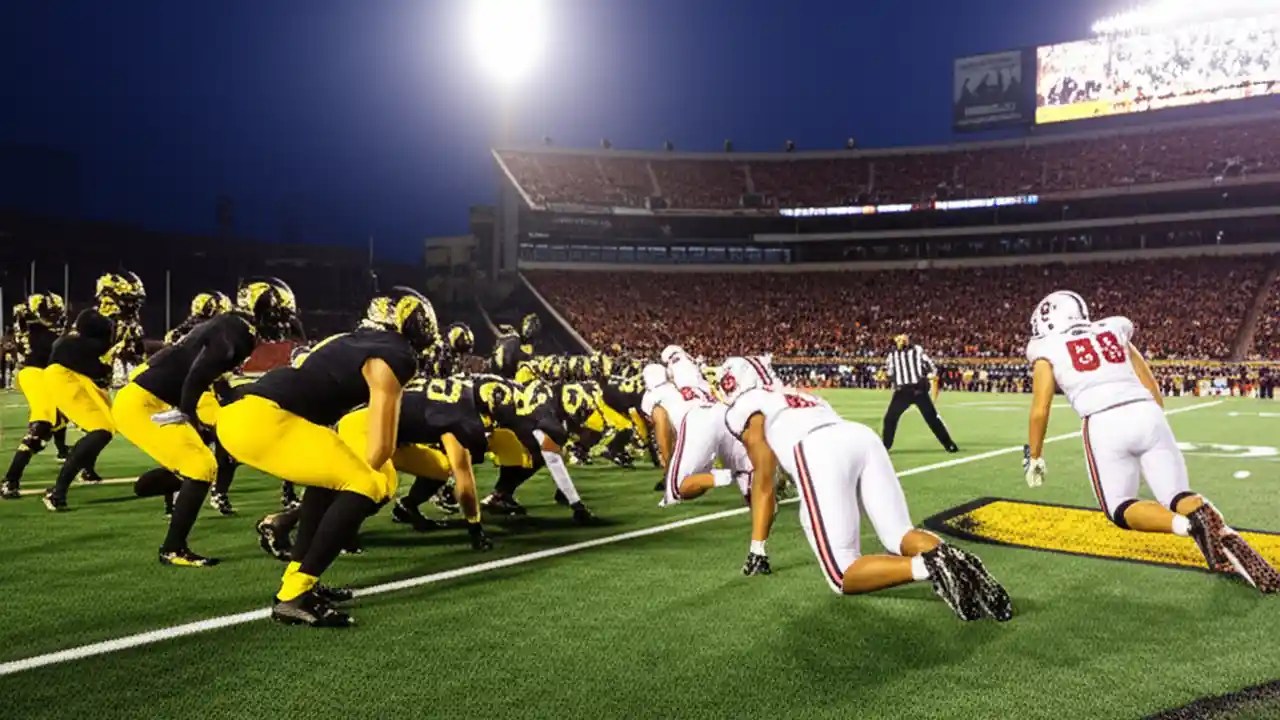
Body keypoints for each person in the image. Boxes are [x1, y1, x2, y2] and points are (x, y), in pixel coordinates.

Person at [719, 356, 1012, 622]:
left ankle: (929, 567)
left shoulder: (746, 404)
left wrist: (757, 548)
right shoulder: (795, 392)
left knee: (843, 573)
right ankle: (956, 561)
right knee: (899, 533)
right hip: (860, 437)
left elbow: (764, 479)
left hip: (819, 450)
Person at [1024, 291, 1278, 593]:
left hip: (1104, 420)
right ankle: (1206, 519)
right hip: (1147, 412)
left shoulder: (1046, 347)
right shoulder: (1112, 329)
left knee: (1119, 506)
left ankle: (1187, 526)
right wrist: (1154, 424)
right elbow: (1149, 383)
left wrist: (1035, 456)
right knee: (1177, 494)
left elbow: (1040, 409)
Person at [216, 287, 436, 627]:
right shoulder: (395, 353)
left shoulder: (348, 340)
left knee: (329, 484)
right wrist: (362, 497)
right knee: (368, 484)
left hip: (250, 414)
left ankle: (299, 583)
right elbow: (382, 447)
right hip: (265, 418)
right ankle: (293, 596)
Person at [118, 278, 297, 566]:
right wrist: (187, 412)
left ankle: (157, 483)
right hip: (145, 403)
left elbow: (211, 378)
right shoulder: (238, 331)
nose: (281, 322)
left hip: (153, 397)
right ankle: (172, 549)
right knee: (201, 468)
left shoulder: (231, 324)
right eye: (278, 314)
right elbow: (198, 373)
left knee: (203, 458)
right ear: (262, 308)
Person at [42, 272, 146, 511]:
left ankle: (86, 470)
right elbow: (69, 346)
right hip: (66, 373)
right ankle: (57, 492)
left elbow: (132, 353)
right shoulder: (92, 318)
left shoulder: (119, 323)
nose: (133, 304)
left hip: (86, 377)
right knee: (100, 430)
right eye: (128, 299)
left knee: (109, 425)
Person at [1, 294, 71, 499]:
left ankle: (64, 451)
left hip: (42, 374)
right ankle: (10, 480)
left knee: (60, 414)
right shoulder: (36, 331)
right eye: (52, 313)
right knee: (41, 426)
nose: (55, 317)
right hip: (34, 373)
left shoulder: (35, 329)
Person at [881, 334, 957, 452]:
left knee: (932, 418)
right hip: (902, 391)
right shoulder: (892, 354)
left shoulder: (917, 350)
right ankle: (885, 446)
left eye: (903, 339)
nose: (901, 341)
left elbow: (930, 366)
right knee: (890, 418)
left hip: (918, 390)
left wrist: (929, 376)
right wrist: (885, 375)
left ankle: (949, 445)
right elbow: (889, 372)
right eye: (899, 339)